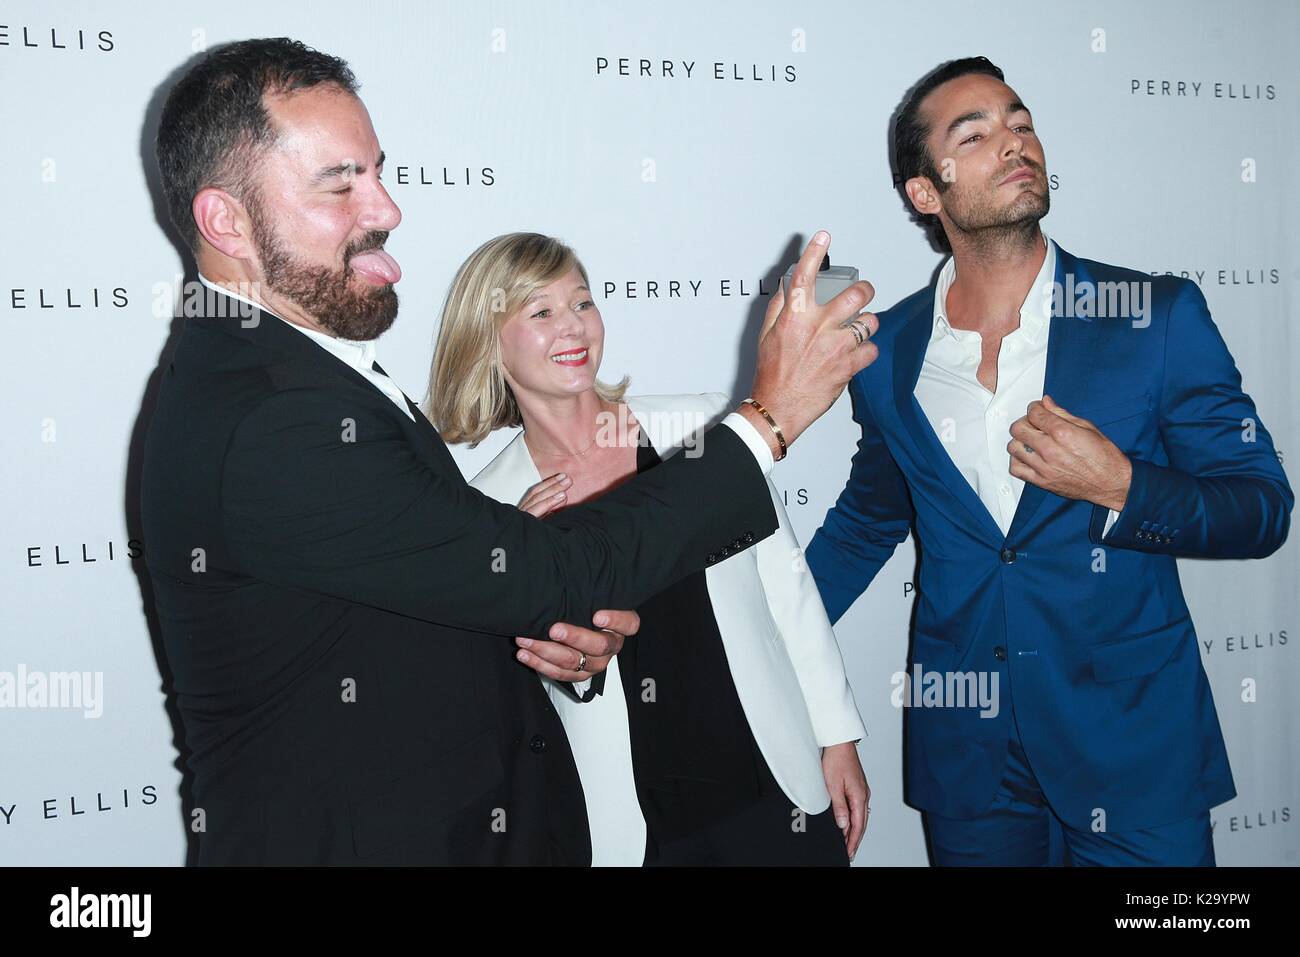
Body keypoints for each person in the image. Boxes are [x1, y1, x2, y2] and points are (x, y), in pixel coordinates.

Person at [141, 38, 879, 865]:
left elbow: (406, 612)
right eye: (338, 183)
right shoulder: (274, 416)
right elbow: (550, 574)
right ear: (226, 221)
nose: (385, 208)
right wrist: (769, 417)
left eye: (377, 171)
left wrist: (546, 640)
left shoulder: (299, 377)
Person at [805, 56, 1293, 867]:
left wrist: (1123, 487)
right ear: (927, 192)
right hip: (970, 764)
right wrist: (749, 648)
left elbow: (1262, 506)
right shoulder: (887, 351)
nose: (1015, 141)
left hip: (1137, 752)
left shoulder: (1154, 316)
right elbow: (865, 526)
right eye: (978, 132)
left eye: (1021, 122)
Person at [428, 232, 870, 866]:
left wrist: (837, 736)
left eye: (582, 301)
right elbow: (500, 699)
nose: (573, 326)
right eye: (541, 311)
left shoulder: (701, 428)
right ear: (489, 342)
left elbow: (785, 584)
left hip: (770, 780)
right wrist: (511, 576)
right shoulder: (488, 512)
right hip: (632, 819)